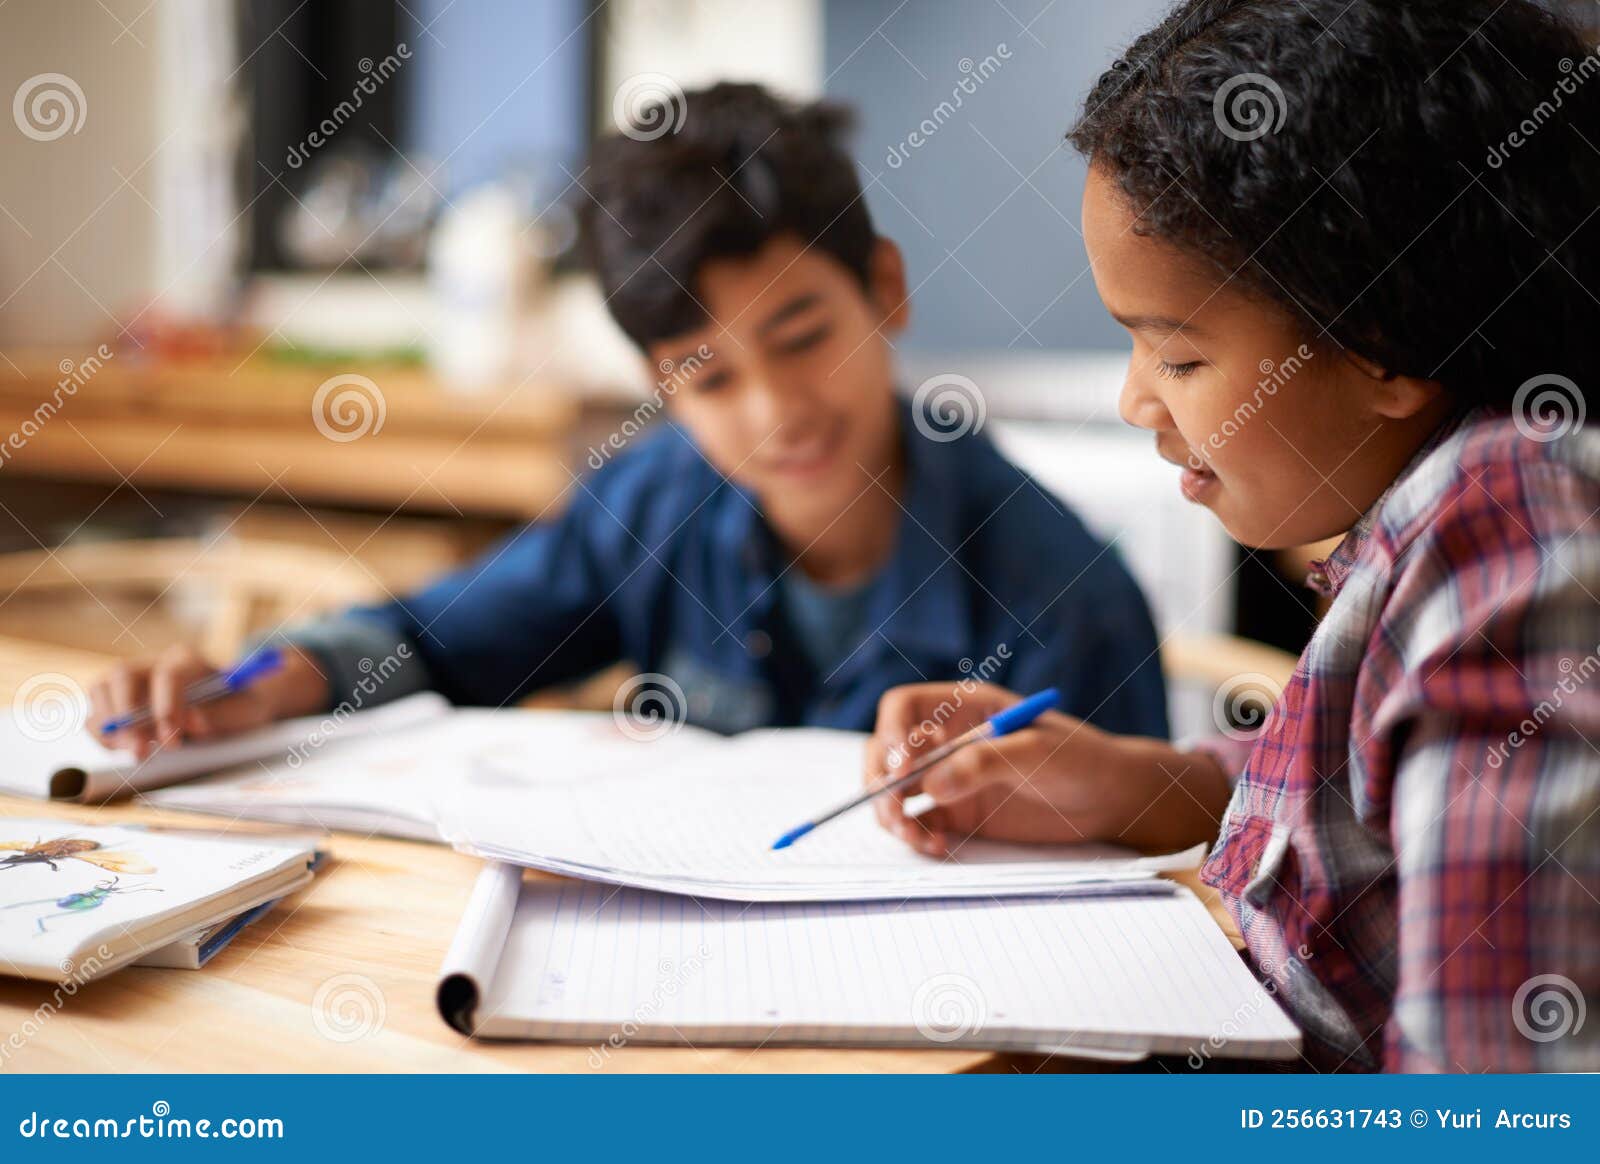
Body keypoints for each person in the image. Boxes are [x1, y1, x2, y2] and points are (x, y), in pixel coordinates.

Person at [868, 0, 1599, 1071]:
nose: (1136, 402)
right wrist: (1145, 782)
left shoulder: (1505, 527)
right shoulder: (1443, 516)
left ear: (1378, 340)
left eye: (1177, 356)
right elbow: (1379, 795)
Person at [89, 84, 1167, 759]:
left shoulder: (1062, 593)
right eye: (706, 380)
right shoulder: (653, 501)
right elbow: (432, 640)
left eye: (802, 338)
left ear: (883, 286)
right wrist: (280, 677)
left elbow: (1141, 907)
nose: (776, 409)